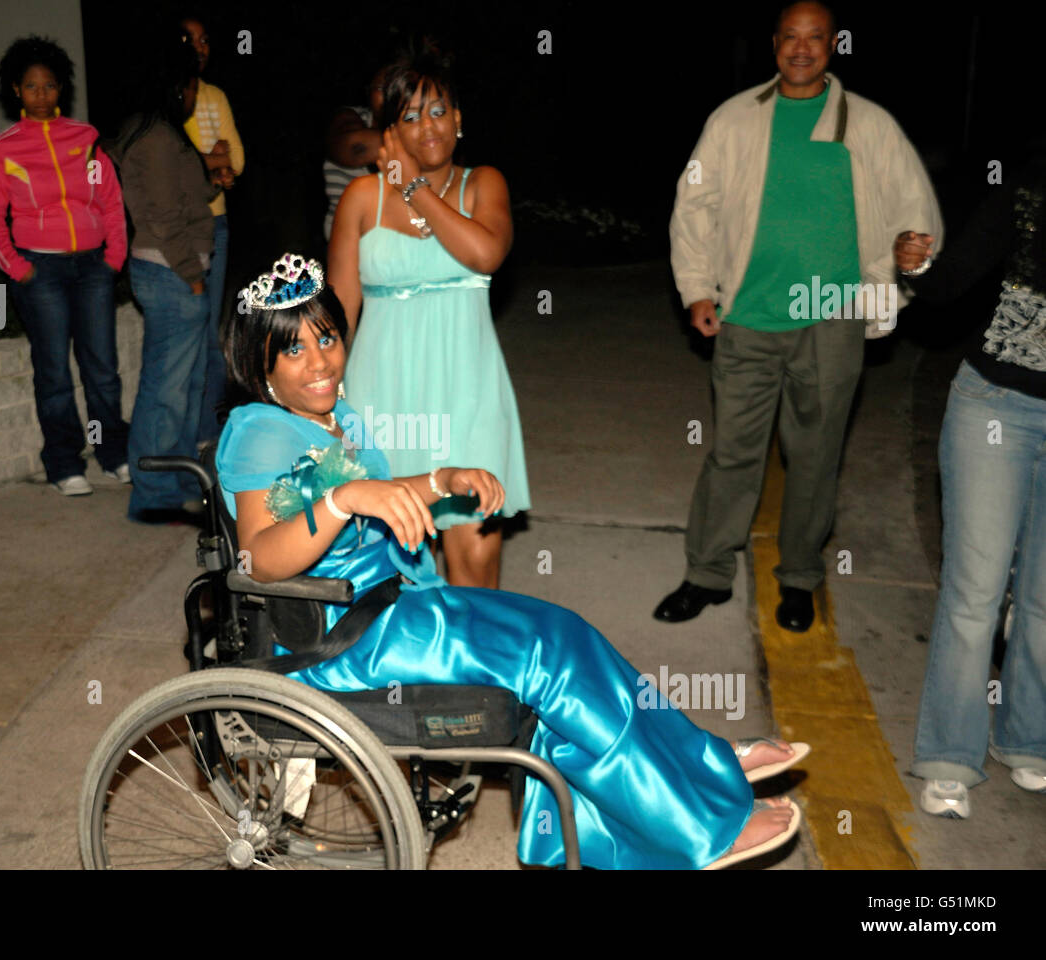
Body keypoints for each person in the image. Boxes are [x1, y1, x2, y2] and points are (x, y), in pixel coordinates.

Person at [215, 252, 810, 869]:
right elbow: (259, 558)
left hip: (387, 603)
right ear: (260, 365)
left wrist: (444, 479)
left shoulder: (335, 415)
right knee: (543, 659)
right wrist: (341, 498)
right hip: (336, 635)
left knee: (561, 628)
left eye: (327, 338)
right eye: (293, 351)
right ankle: (693, 828)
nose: (319, 362)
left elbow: (382, 493)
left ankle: (695, 760)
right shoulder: (261, 430)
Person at [657, 1, 942, 629]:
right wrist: (697, 288)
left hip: (832, 318)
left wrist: (909, 260)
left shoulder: (869, 125)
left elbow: (914, 215)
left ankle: (800, 579)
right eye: (792, 37)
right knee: (732, 453)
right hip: (749, 316)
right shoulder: (734, 119)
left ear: (834, 45)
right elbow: (694, 205)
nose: (803, 48)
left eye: (816, 38)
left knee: (815, 458)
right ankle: (707, 574)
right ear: (775, 45)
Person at [329, 40, 530, 589]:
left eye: (438, 110)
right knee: (383, 575)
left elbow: (485, 253)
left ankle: (476, 676)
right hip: (380, 397)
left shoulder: (483, 184)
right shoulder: (361, 200)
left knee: (474, 570)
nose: (428, 127)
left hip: (470, 395)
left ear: (459, 118)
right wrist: (324, 403)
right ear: (389, 133)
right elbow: (339, 311)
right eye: (409, 117)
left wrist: (412, 187)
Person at [894, 147, 1046, 818]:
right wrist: (917, 263)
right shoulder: (1028, 187)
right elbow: (951, 277)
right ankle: (951, 756)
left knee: (1043, 601)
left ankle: (1028, 739)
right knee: (975, 593)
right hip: (997, 408)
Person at [0, 35, 130, 496]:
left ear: (60, 88)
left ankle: (113, 453)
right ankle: (65, 463)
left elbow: (110, 200)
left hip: (93, 269)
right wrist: (18, 268)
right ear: (15, 91)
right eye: (31, 87)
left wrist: (113, 259)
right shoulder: (3, 149)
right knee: (54, 373)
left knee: (102, 368)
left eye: (49, 86)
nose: (41, 95)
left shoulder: (86, 140)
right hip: (39, 273)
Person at [106, 42, 219, 522]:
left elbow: (186, 197)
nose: (194, 93)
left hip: (173, 268)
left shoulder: (158, 130)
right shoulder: (153, 136)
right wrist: (192, 278)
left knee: (185, 387)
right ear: (176, 87)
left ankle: (176, 483)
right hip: (170, 270)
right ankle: (152, 495)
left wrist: (212, 176)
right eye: (190, 85)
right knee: (165, 391)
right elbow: (163, 214)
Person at [179, 14, 244, 449]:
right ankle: (191, 431)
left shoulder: (215, 95)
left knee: (209, 329)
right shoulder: (167, 99)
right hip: (176, 226)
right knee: (187, 330)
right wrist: (211, 162)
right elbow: (180, 169)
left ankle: (209, 432)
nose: (200, 48)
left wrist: (219, 164)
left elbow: (235, 160)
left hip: (215, 222)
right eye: (190, 40)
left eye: (205, 40)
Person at [322, 67, 386, 241]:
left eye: (399, 86)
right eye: (383, 87)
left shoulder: (414, 128)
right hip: (347, 236)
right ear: (368, 90)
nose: (391, 93)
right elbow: (353, 147)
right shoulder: (348, 116)